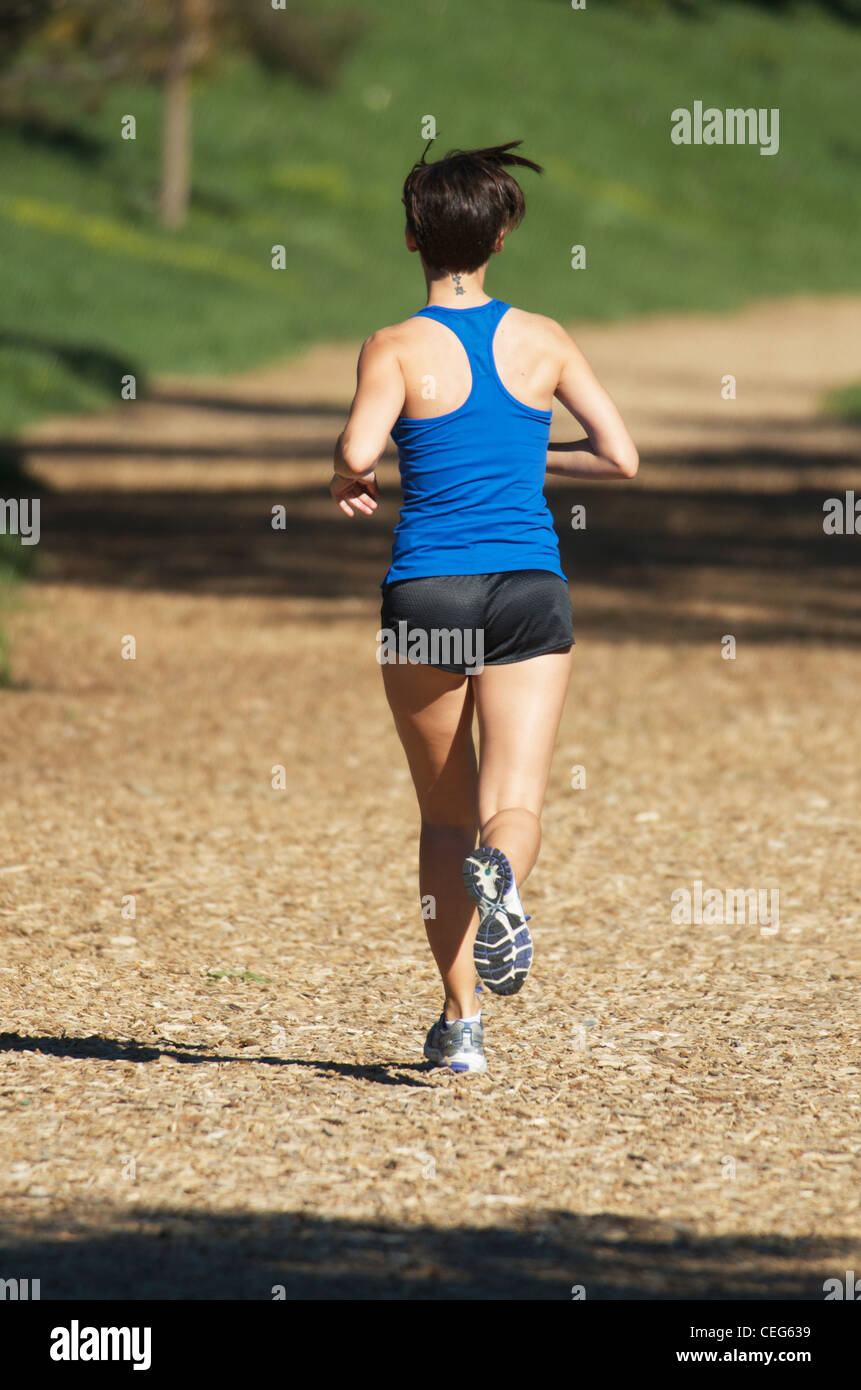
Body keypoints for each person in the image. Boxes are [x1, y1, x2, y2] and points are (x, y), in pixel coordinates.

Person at [329, 141, 638, 1073]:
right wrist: (524, 455)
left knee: (443, 817)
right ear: (500, 238)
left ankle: (458, 1023)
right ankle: (505, 878)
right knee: (514, 804)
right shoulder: (544, 338)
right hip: (527, 591)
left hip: (429, 590)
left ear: (412, 236)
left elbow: (357, 450)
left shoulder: (391, 347)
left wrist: (349, 478)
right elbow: (620, 455)